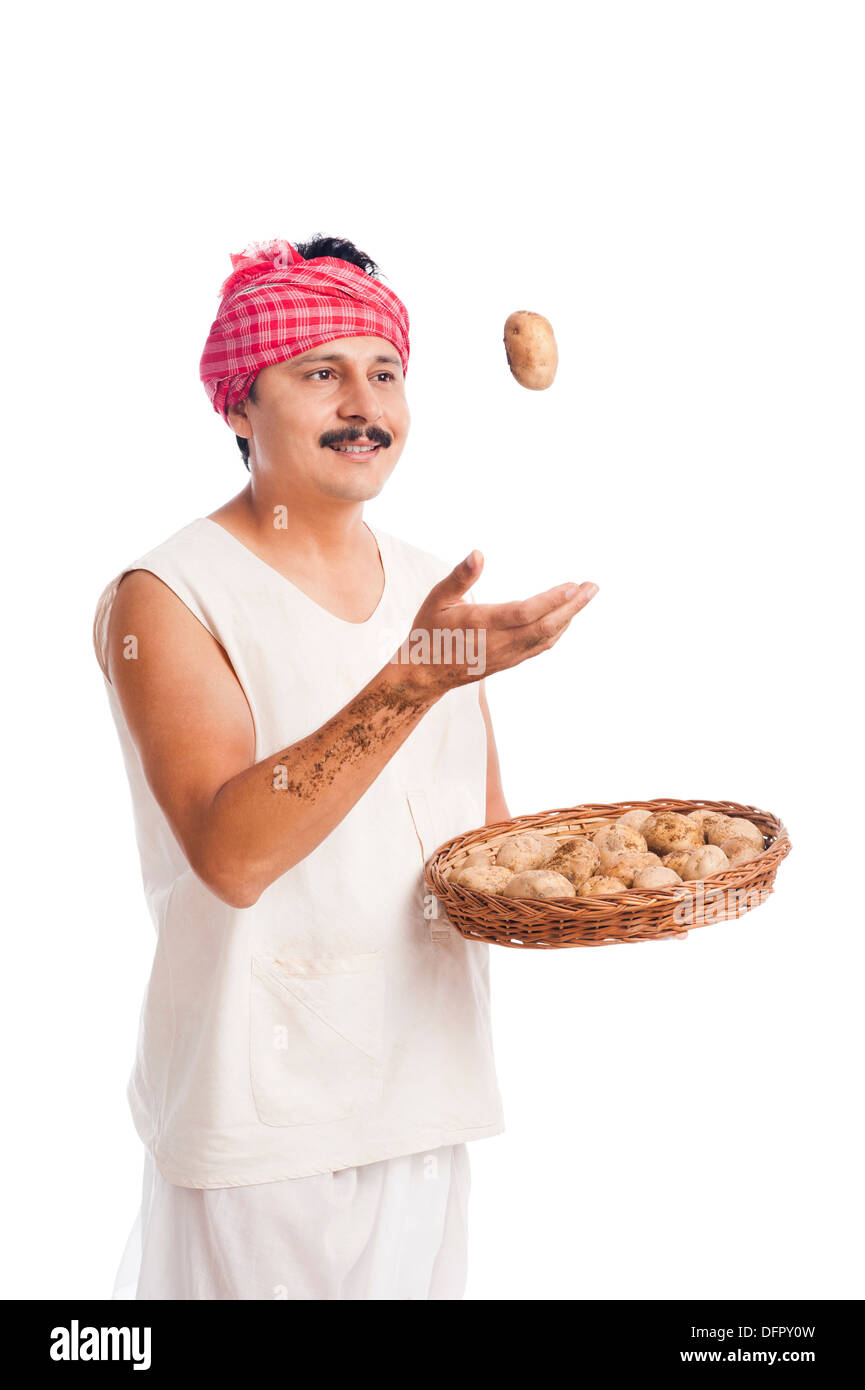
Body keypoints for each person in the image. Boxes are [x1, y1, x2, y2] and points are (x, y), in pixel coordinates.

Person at [92, 234, 599, 1300]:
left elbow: (477, 849)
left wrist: (608, 879)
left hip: (422, 1098)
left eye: (383, 372)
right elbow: (230, 855)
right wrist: (414, 676)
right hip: (261, 1117)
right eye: (318, 372)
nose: (361, 402)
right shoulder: (169, 593)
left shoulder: (428, 586)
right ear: (238, 406)